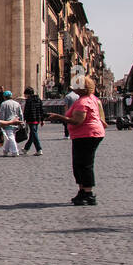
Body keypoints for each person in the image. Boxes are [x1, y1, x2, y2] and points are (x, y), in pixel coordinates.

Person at [48, 77, 106, 205]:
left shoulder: (83, 102)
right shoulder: (92, 99)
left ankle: (88, 193)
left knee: (85, 164)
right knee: (79, 163)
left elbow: (78, 121)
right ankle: (82, 191)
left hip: (87, 134)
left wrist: (59, 117)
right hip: (88, 134)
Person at [0, 90, 23, 156]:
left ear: (4, 97)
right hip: (16, 122)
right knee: (10, 136)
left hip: (8, 122)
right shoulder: (17, 103)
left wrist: (1, 123)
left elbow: (2, 114)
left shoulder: (4, 104)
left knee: (10, 137)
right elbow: (20, 114)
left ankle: (15, 151)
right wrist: (21, 122)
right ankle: (5, 151)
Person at [21, 87, 45, 155]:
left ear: (28, 94)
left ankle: (39, 149)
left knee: (34, 134)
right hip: (37, 119)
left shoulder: (29, 100)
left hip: (31, 119)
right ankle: (26, 148)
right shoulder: (39, 99)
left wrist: (24, 119)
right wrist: (42, 120)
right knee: (32, 134)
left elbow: (26, 111)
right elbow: (41, 110)